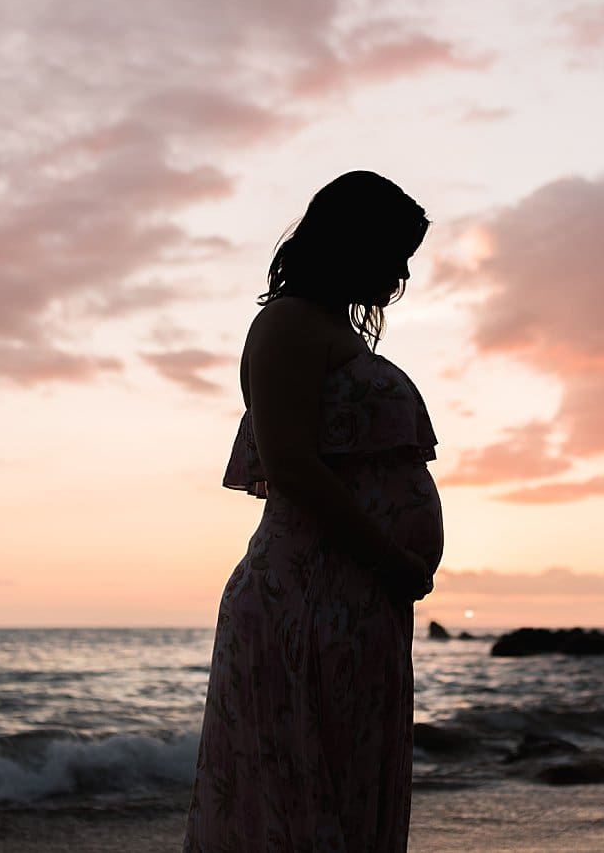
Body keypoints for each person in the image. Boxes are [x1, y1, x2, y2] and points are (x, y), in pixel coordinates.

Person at [182, 170, 443, 852]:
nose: (402, 272)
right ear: (351, 245)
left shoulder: (327, 330)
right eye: (394, 254)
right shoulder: (290, 324)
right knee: (301, 803)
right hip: (306, 599)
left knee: (346, 793)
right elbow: (291, 462)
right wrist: (391, 557)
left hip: (352, 598)